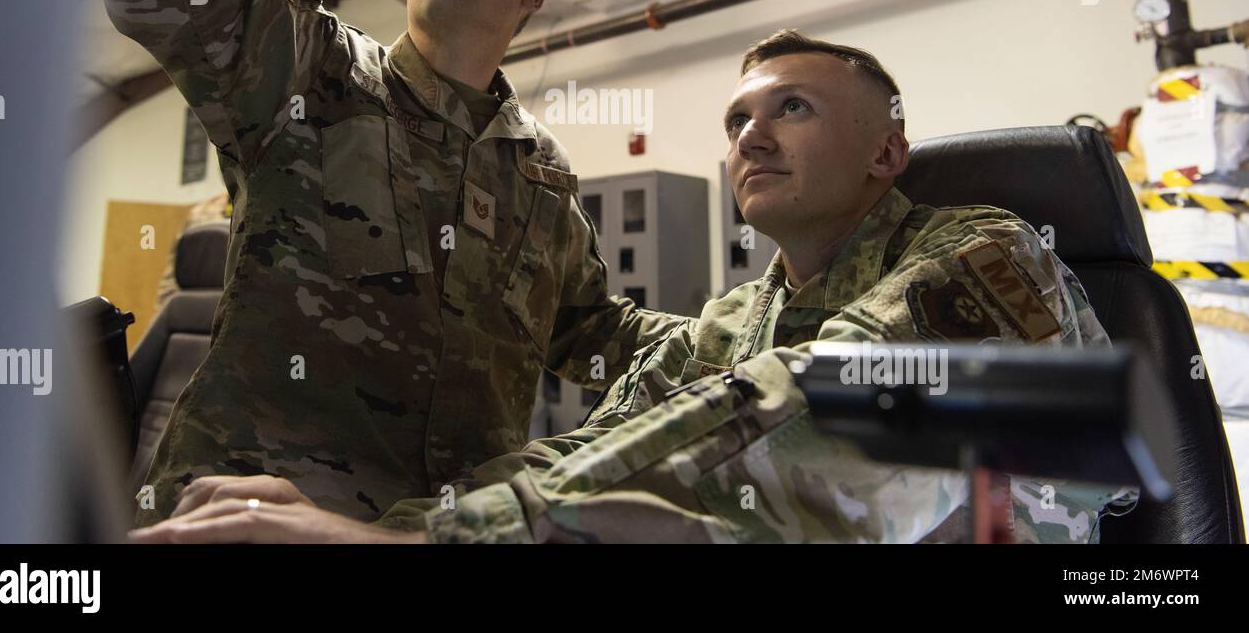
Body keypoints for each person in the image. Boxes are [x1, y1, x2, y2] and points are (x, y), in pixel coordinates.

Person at [130, 30, 1134, 544]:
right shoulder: (733, 323)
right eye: (738, 119)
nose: (752, 135)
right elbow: (591, 453)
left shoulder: (986, 249)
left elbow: (837, 412)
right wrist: (369, 517)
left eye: (791, 108)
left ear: (886, 151)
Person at [103, 0, 686, 527]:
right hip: (245, 517)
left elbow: (600, 338)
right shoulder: (313, 73)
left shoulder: (544, 185)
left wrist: (770, 331)